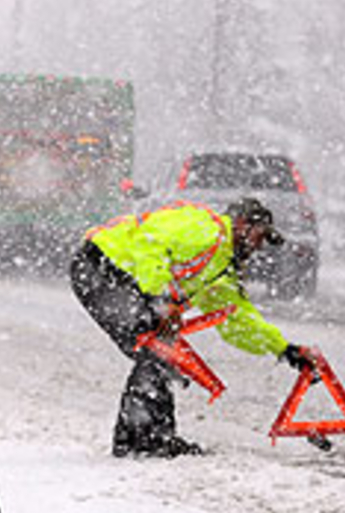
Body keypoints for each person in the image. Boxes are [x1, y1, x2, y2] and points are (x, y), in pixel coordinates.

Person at [69, 196, 316, 458]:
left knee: (161, 350)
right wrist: (162, 299)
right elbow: (149, 242)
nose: (259, 246)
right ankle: (144, 441)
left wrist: (285, 350)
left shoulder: (220, 269)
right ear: (242, 224)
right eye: (259, 236)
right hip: (101, 267)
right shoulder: (207, 229)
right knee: (157, 349)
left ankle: (144, 438)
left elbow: (238, 321)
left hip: (120, 278)